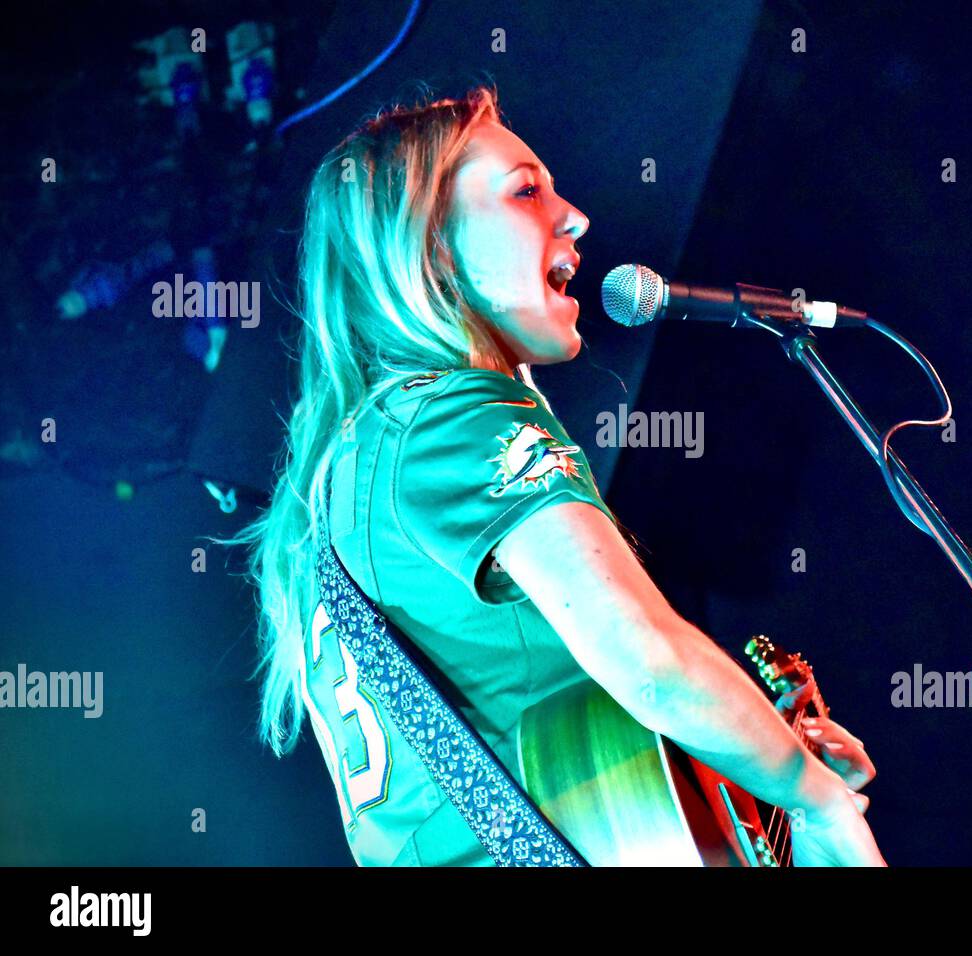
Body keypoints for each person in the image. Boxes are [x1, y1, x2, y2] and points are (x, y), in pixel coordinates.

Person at [227, 85, 886, 866]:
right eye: (526, 190)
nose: (574, 216)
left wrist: (761, 763)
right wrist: (816, 802)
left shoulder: (350, 465)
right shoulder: (454, 417)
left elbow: (571, 753)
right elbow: (653, 666)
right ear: (431, 245)